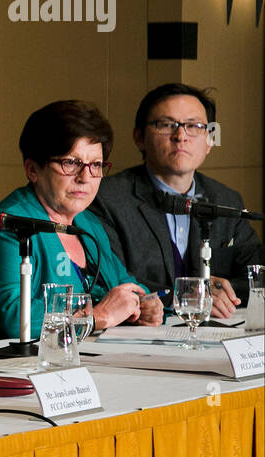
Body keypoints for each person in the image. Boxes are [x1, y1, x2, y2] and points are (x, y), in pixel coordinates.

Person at [0, 100, 163, 338]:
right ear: (33, 169)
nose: (85, 177)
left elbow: (125, 285)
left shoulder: (88, 223)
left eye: (95, 165)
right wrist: (97, 317)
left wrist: (145, 304)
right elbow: (14, 319)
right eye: (71, 163)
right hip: (13, 367)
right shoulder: (7, 226)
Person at [91, 84, 262, 319]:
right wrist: (189, 294)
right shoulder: (108, 198)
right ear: (139, 137)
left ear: (211, 139)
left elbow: (255, 275)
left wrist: (224, 293)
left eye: (194, 126)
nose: (180, 136)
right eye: (166, 125)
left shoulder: (225, 199)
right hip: (141, 340)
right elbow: (111, 279)